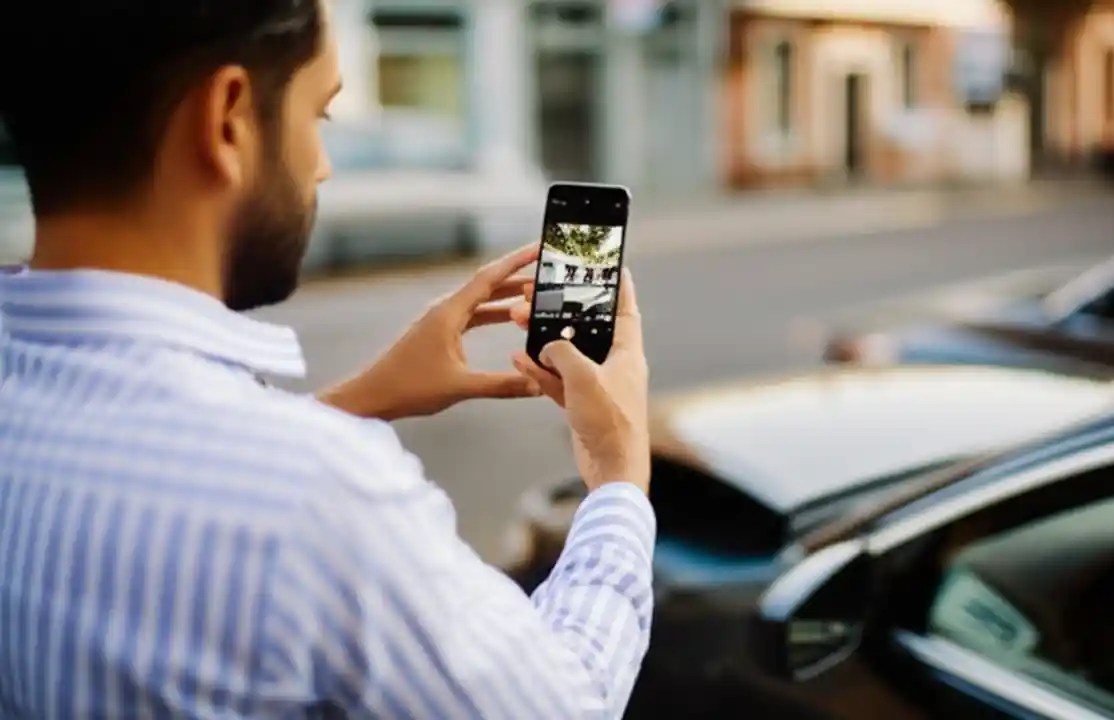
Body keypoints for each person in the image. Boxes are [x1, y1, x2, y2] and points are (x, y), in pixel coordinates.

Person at [0, 2, 653, 719]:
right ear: (227, 118)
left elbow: (155, 464)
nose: (322, 165)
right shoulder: (315, 497)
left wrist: (362, 399)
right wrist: (617, 472)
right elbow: (567, 705)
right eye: (321, 116)